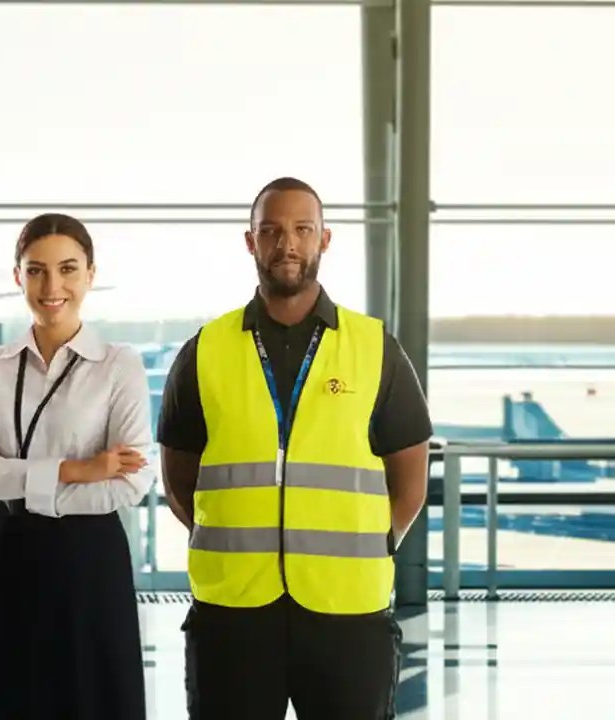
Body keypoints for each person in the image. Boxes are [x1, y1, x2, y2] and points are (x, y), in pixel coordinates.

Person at [158, 177, 432, 720]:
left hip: (348, 615)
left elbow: (411, 483)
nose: (287, 244)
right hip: (232, 612)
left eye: (302, 229)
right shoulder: (205, 350)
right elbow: (178, 482)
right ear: (250, 241)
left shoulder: (375, 347)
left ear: (324, 239)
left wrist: (372, 545)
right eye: (271, 230)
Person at [0, 213, 152, 720]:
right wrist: (76, 470)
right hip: (7, 557)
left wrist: (12, 477)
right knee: (2, 698)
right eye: (36, 270)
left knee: (91, 701)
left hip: (90, 561)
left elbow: (131, 483)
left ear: (90, 274)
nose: (52, 286)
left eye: (67, 269)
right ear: (18, 276)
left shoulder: (117, 364)